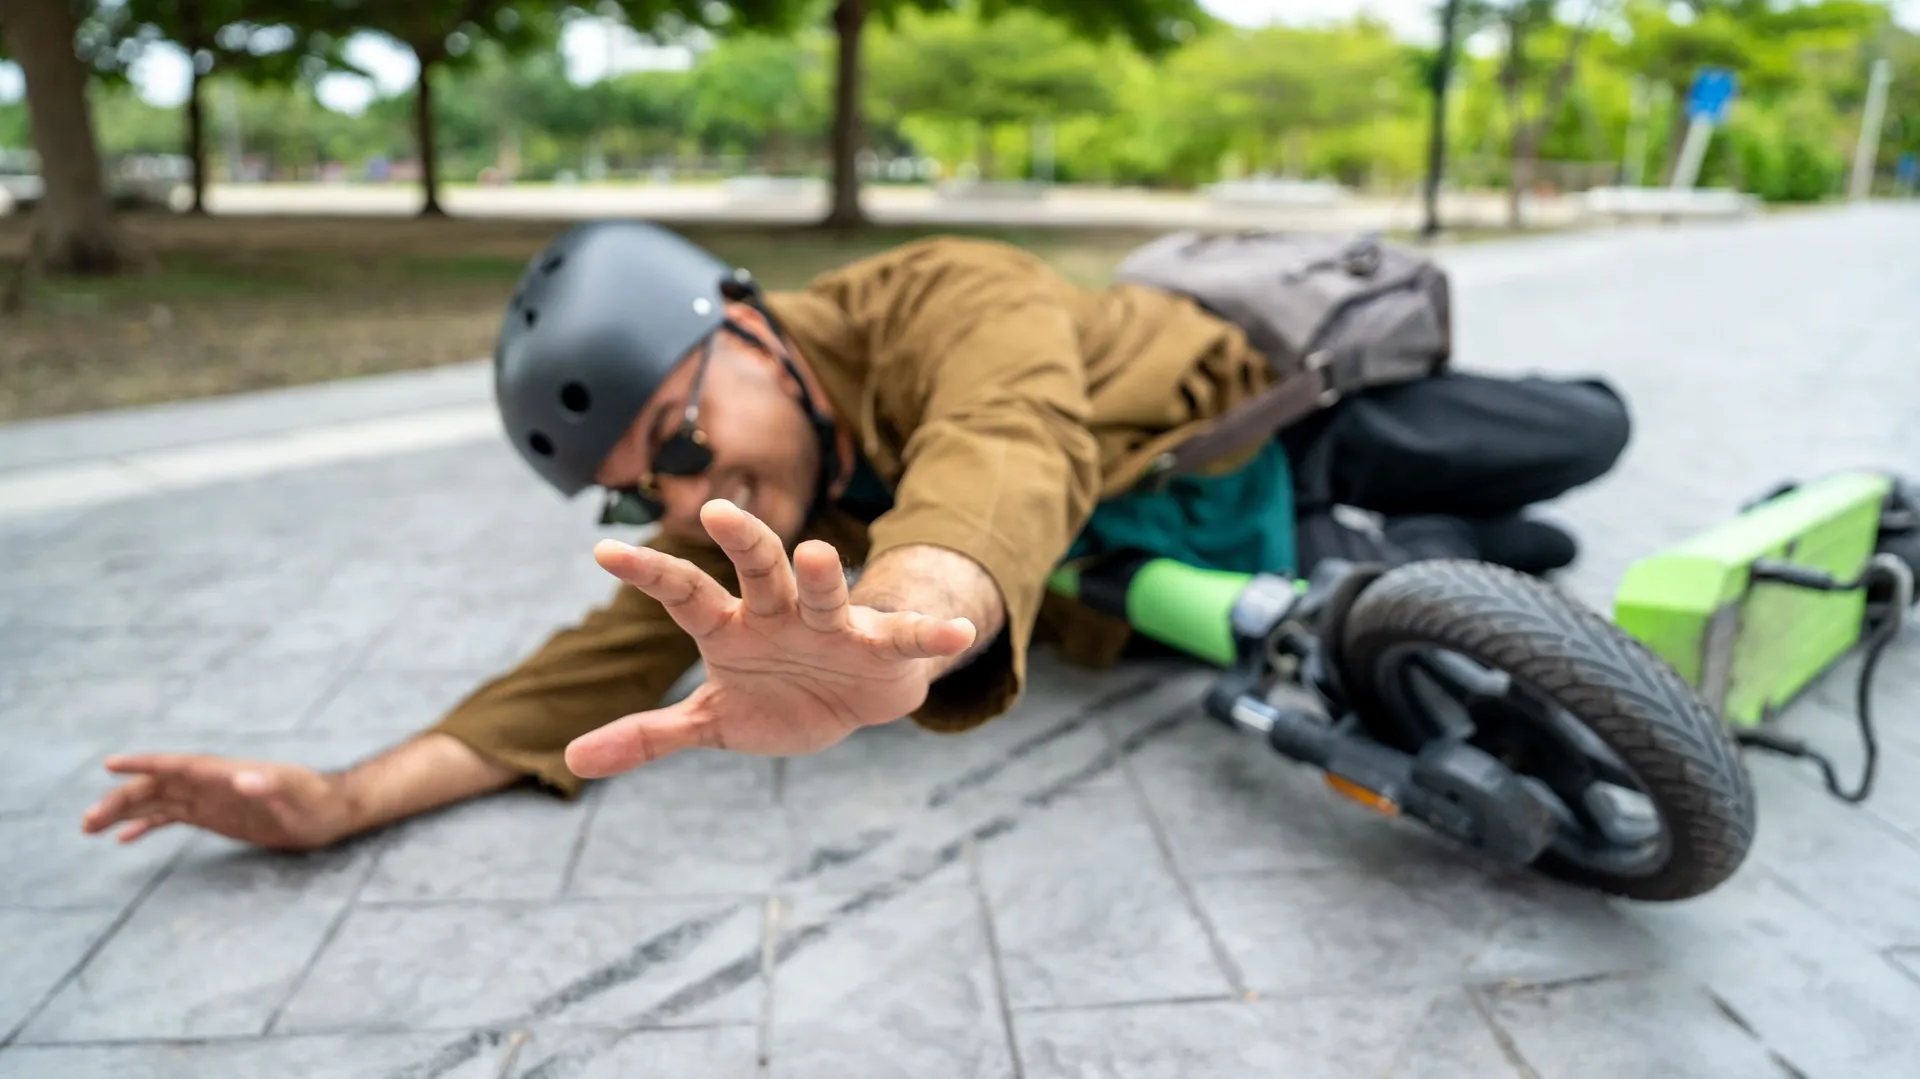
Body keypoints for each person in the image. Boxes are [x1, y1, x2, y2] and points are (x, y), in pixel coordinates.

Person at [79, 222, 1629, 853]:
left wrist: (912, 621)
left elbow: (1003, 435)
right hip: (1185, 554)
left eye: (680, 441)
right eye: (644, 491)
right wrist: (337, 798)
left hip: (1265, 416)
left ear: (748, 324)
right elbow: (588, 674)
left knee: (1580, 443)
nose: (690, 498)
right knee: (1515, 567)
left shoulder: (944, 289)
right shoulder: (744, 510)